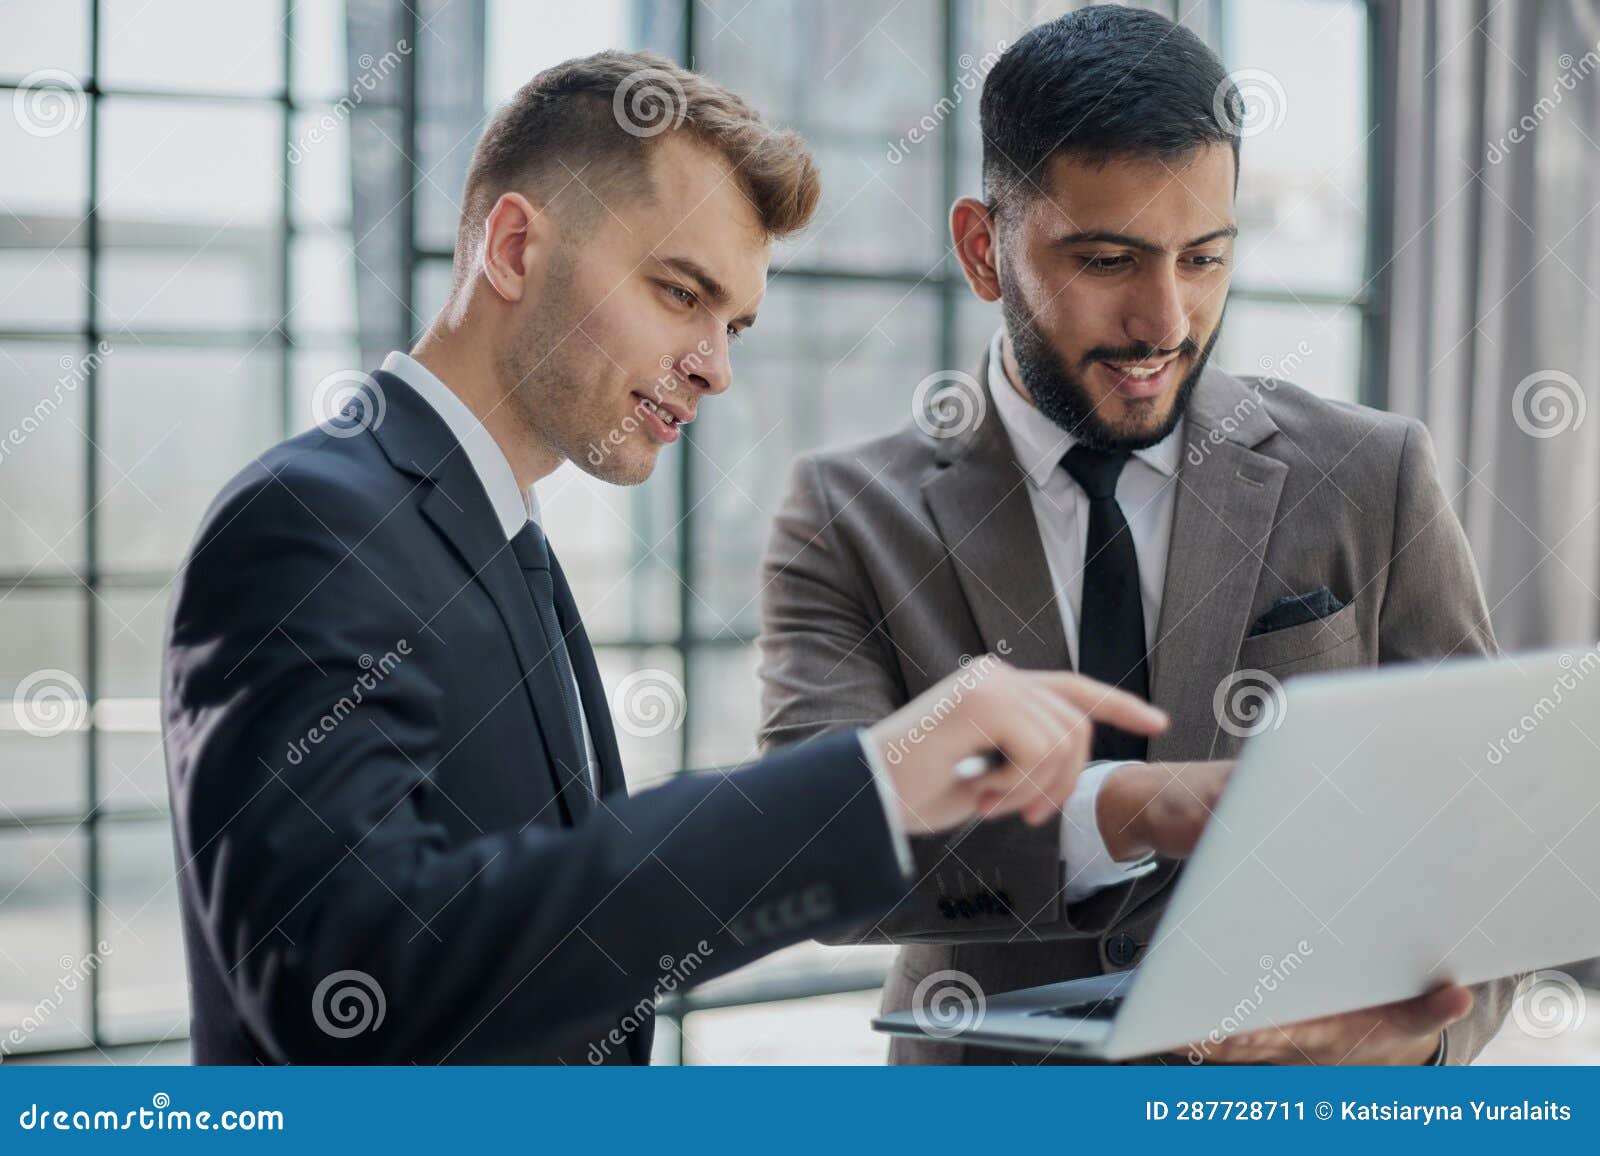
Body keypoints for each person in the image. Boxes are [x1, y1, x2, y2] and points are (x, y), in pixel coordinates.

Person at [161, 50, 1167, 1065]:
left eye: (733, 322)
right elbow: (354, 979)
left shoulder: (500, 542)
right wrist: (867, 783)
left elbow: (538, 927)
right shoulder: (314, 520)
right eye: (680, 293)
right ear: (513, 248)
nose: (717, 367)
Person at [757, 6, 1512, 1065]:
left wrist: (1405, 1048)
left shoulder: (1369, 476)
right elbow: (808, 857)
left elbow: (1487, 840)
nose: (1165, 320)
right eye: (1107, 260)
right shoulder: (845, 518)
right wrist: (1116, 810)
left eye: (1203, 258)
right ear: (983, 249)